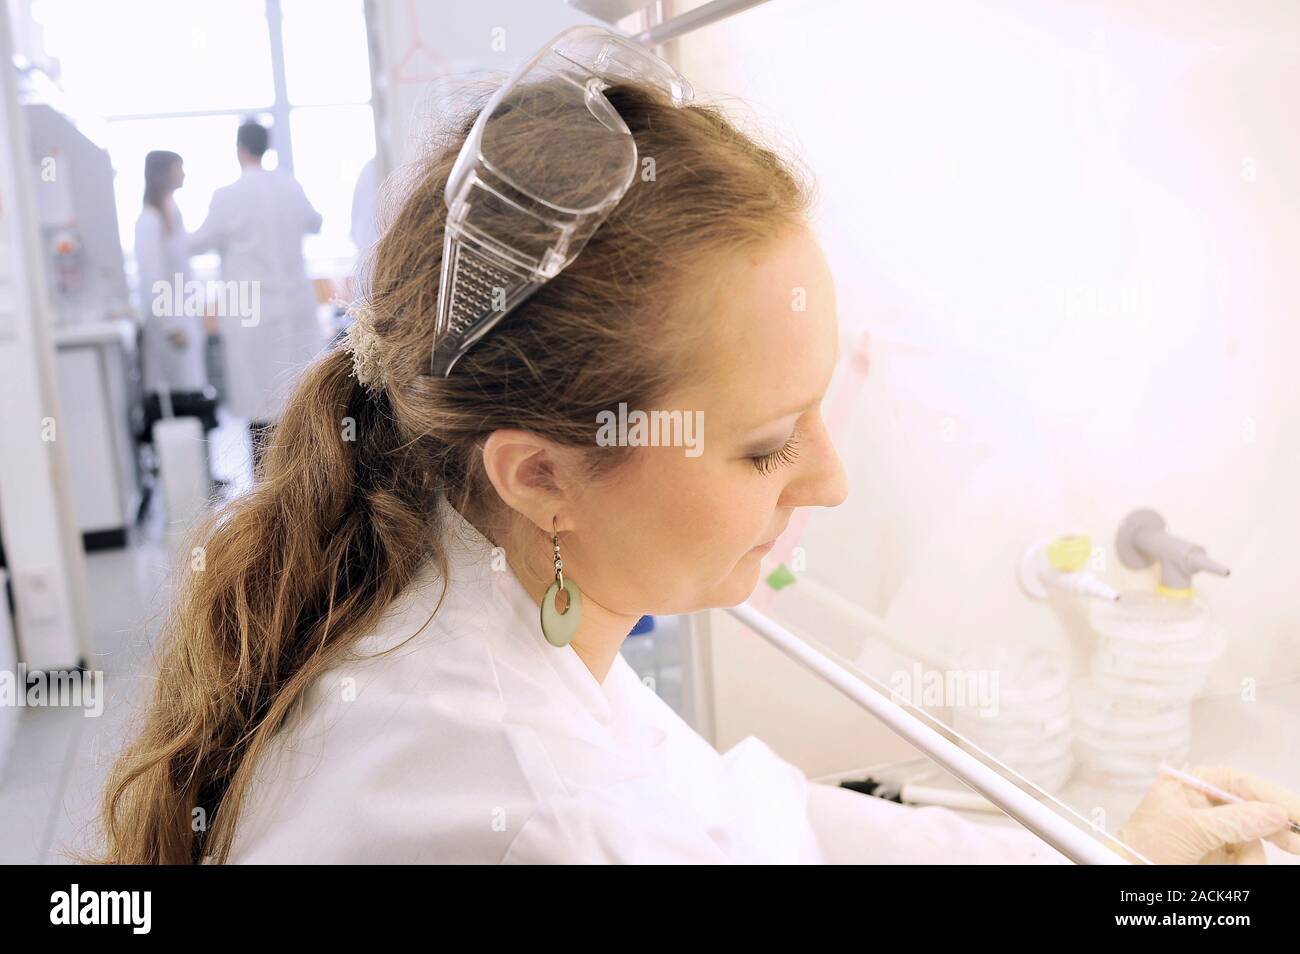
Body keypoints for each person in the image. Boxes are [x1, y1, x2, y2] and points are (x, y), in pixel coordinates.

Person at [90, 34, 1300, 865]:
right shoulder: (521, 810)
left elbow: (753, 826)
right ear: (541, 475)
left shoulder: (483, 597)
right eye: (767, 449)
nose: (832, 479)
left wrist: (1115, 859)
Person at [188, 119, 324, 472]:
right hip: (294, 309)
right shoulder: (288, 185)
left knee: (261, 410)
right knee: (298, 404)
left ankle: (267, 494)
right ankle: (308, 487)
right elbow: (315, 222)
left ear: (239, 149)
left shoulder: (228, 195)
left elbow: (198, 241)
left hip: (254, 318)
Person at [134, 150, 214, 431]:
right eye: (178, 168)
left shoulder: (171, 211)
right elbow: (152, 278)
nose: (183, 174)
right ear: (161, 175)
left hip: (184, 317)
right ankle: (186, 470)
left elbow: (183, 259)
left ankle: (202, 469)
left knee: (194, 396)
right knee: (178, 401)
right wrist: (170, 326)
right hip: (170, 327)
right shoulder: (148, 221)